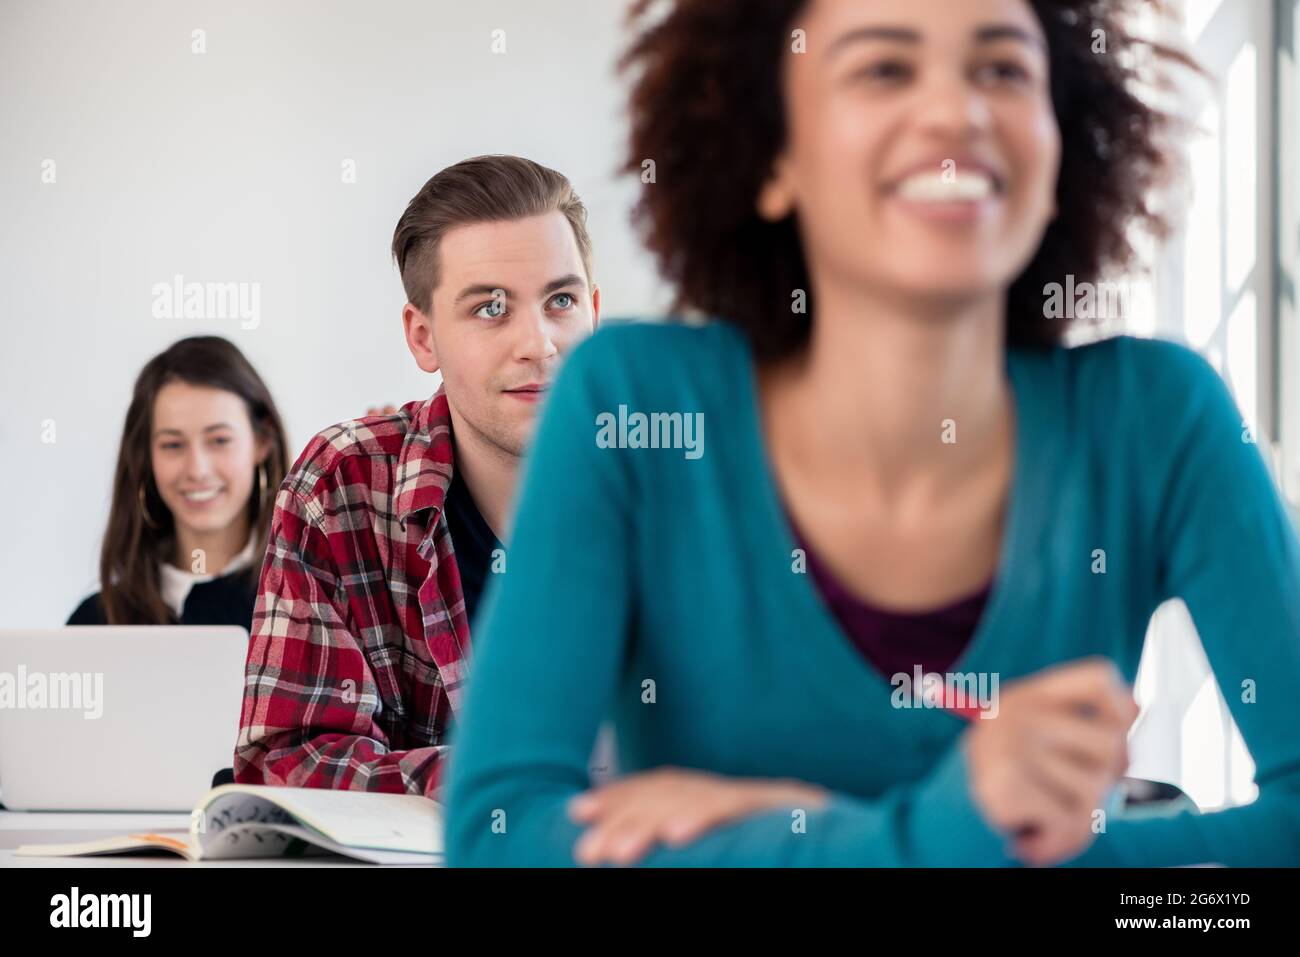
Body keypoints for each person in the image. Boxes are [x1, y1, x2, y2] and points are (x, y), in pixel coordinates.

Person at [444, 0, 1300, 867]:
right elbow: (502, 835)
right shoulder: (628, 405)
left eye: (1003, 68)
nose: (956, 111)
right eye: (884, 68)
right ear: (774, 154)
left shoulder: (1158, 417)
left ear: (1059, 141)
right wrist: (939, 835)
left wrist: (851, 830)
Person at [233, 155, 601, 796]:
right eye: (491, 308)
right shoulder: (340, 488)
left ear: (594, 314)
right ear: (423, 336)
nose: (539, 343)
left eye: (560, 300)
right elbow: (286, 761)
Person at [69, 336, 289, 627]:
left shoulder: (309, 603)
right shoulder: (97, 622)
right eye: (173, 445)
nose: (197, 469)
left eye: (219, 440)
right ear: (146, 455)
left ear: (262, 441)